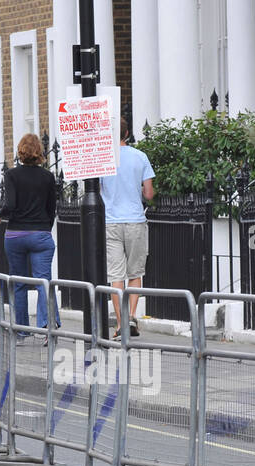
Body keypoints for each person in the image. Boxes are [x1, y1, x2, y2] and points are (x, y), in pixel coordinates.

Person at [0, 133, 59, 343]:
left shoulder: (11, 175)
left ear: (20, 151)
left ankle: (21, 331)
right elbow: (51, 209)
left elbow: (10, 205)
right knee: (42, 282)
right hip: (40, 235)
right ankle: (48, 328)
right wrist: (44, 229)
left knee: (18, 282)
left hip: (16, 235)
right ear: (39, 151)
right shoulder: (48, 177)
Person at [100, 119, 155, 338]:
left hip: (110, 221)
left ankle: (120, 323)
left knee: (116, 275)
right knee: (135, 272)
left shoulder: (104, 157)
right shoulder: (140, 156)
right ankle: (132, 317)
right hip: (134, 220)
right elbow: (149, 194)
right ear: (128, 132)